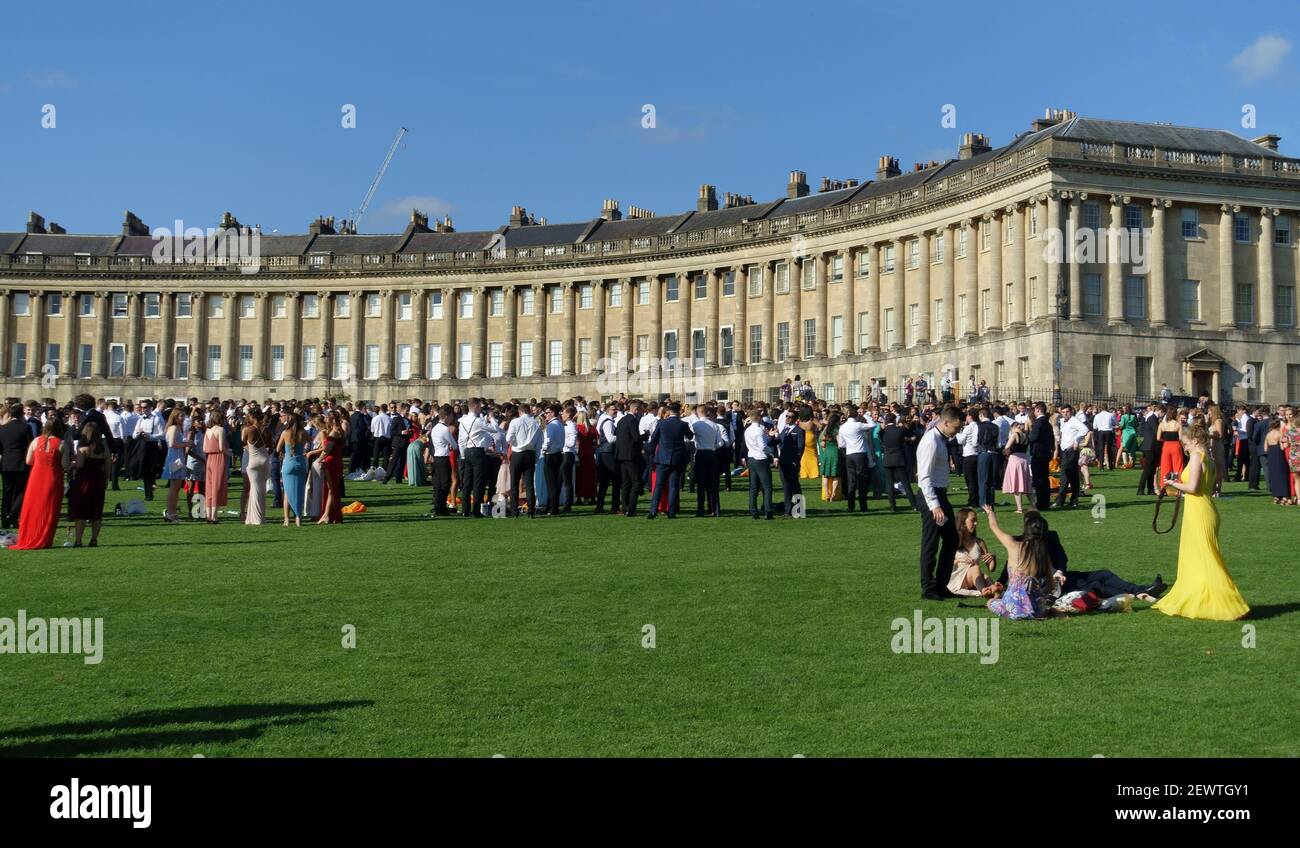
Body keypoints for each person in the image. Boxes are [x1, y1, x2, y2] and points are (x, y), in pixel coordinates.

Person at [1153, 424, 1250, 621]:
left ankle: (1231, 604)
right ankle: (1206, 599)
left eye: (1186, 443)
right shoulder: (1209, 457)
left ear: (1195, 440)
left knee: (1208, 558)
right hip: (1200, 509)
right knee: (1198, 558)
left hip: (1200, 511)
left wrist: (1172, 483)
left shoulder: (1198, 457)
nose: (1184, 446)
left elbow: (1193, 487)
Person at [918, 405, 963, 600]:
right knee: (931, 542)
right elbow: (924, 476)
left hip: (940, 495)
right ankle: (928, 588)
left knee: (952, 538)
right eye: (955, 427)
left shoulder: (939, 439)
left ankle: (941, 584)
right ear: (945, 423)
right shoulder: (931, 441)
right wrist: (934, 504)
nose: (957, 431)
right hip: (932, 497)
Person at [980, 506, 1053, 620]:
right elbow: (1050, 586)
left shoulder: (1014, 545)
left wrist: (990, 512)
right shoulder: (1044, 555)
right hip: (1036, 608)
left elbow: (994, 527)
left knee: (990, 602)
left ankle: (999, 596)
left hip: (1012, 606)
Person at [10, 415, 64, 550]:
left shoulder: (35, 441)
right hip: (53, 475)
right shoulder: (61, 443)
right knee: (49, 507)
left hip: (37, 475)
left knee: (32, 506)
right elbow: (65, 464)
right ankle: (44, 538)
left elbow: (28, 460)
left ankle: (28, 536)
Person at [647, 402, 693, 519]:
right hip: (677, 458)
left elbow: (654, 439)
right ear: (679, 411)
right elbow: (690, 436)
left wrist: (652, 455)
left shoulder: (661, 423)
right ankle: (671, 512)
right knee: (673, 486)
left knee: (658, 486)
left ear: (669, 411)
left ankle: (653, 511)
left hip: (662, 457)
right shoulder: (683, 424)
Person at [67, 422, 109, 547]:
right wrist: (105, 481)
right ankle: (94, 539)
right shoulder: (105, 449)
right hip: (98, 481)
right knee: (96, 511)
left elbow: (79, 465)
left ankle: (78, 540)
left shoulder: (83, 449)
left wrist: (71, 465)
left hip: (84, 481)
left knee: (80, 511)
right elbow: (108, 468)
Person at [948, 508, 1002, 597]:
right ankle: (985, 591)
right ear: (963, 523)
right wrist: (960, 560)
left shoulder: (979, 542)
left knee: (983, 574)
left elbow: (991, 568)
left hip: (972, 579)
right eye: (973, 521)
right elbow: (945, 564)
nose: (976, 523)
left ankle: (994, 591)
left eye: (976, 521)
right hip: (957, 578)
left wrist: (993, 559)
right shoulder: (953, 541)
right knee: (976, 568)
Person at [0, 402, 33, 530]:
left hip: (6, 463)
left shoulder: (2, 429)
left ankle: (5, 520)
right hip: (21, 463)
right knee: (21, 491)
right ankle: (13, 515)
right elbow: (29, 445)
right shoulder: (25, 428)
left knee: (7, 493)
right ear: (21, 414)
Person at [277, 411, 308, 527]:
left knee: (287, 493)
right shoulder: (303, 433)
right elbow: (313, 440)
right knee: (299, 491)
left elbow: (277, 448)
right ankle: (298, 517)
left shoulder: (285, 433)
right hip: (300, 462)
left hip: (289, 463)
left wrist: (283, 451)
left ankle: (286, 519)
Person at [614, 400, 644, 517]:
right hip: (630, 455)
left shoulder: (621, 420)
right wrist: (645, 436)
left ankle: (625, 507)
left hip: (621, 454)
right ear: (636, 410)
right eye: (640, 410)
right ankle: (631, 508)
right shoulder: (632, 420)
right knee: (635, 482)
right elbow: (636, 438)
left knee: (626, 482)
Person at [743, 409, 775, 520]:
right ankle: (768, 511)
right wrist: (771, 452)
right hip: (761, 458)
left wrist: (769, 436)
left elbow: (762, 441)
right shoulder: (758, 430)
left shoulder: (748, 430)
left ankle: (753, 510)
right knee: (767, 487)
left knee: (754, 486)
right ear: (758, 417)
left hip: (751, 458)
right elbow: (763, 446)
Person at [161, 407, 189, 523]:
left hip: (176, 457)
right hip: (175, 458)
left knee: (176, 487)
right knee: (174, 487)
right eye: (180, 416)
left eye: (183, 416)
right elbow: (172, 444)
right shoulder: (174, 428)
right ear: (175, 417)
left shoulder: (175, 428)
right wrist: (186, 443)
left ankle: (172, 512)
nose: (182, 418)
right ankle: (171, 513)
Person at [202, 411, 230, 524]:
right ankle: (214, 516)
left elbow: (204, 448)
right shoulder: (220, 430)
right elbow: (221, 447)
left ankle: (208, 515)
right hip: (218, 458)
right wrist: (229, 453)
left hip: (209, 459)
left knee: (209, 487)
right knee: (217, 486)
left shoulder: (207, 430)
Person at [242, 412, 270, 525]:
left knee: (255, 489)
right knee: (261, 489)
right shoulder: (266, 431)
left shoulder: (249, 429)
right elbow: (270, 445)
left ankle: (256, 518)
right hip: (264, 459)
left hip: (254, 461)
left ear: (253, 418)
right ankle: (256, 517)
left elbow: (243, 441)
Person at [1000, 420, 1032, 513]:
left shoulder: (1014, 435)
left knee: (1016, 485)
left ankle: (1019, 508)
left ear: (1013, 428)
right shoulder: (1026, 436)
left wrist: (1005, 453)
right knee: (1026, 484)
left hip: (1015, 459)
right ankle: (1033, 505)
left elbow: (1007, 447)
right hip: (1024, 459)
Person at [1263, 420, 1292, 505]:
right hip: (1279, 454)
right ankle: (1284, 495)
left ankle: (1276, 496)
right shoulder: (1279, 433)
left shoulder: (1268, 434)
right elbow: (1282, 447)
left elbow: (1265, 448)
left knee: (1274, 475)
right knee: (1283, 474)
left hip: (1271, 455)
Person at [1156, 406, 1183, 493]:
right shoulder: (1178, 424)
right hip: (1176, 445)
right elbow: (1181, 438)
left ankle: (1163, 486)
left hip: (1166, 446)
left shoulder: (1162, 424)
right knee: (1177, 466)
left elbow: (1158, 438)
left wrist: (1165, 440)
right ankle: (1178, 486)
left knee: (1165, 466)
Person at [817, 411, 841, 502]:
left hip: (827, 453)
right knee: (835, 475)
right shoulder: (837, 430)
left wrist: (826, 440)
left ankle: (827, 493)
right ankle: (833, 494)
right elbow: (840, 444)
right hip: (835, 452)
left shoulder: (826, 429)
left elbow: (821, 441)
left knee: (826, 475)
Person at [1119, 405, 1138, 469]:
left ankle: (1125, 464)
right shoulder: (1133, 416)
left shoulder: (1123, 417)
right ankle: (1132, 463)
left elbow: (1121, 426)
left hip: (1126, 434)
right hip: (1133, 433)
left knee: (1125, 449)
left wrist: (1117, 426)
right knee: (1132, 450)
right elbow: (1136, 425)